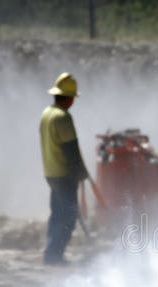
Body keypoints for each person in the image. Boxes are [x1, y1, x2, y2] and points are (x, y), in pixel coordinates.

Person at [39, 72, 88, 265]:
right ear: (68, 98)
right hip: (64, 173)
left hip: (50, 172)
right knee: (68, 215)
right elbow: (71, 149)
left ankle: (51, 253)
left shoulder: (46, 114)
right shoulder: (63, 118)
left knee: (57, 213)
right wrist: (81, 172)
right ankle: (54, 255)